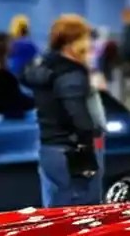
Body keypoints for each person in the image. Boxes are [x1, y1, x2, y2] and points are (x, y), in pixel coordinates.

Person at [22, 14, 106, 208]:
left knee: (54, 211)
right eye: (84, 39)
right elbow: (78, 116)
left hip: (49, 149)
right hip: (72, 153)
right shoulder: (72, 73)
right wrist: (89, 145)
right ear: (71, 43)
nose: (89, 46)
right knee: (82, 213)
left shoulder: (43, 67)